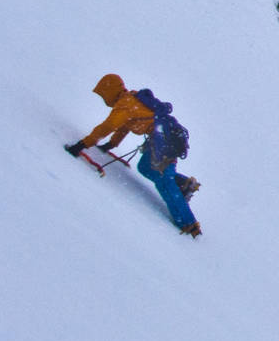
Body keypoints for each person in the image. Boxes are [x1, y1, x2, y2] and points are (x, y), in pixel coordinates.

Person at [65, 73, 201, 237]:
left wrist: (82, 144)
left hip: (164, 141)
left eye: (104, 95)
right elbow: (124, 126)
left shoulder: (126, 104)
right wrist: (111, 145)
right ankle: (184, 184)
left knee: (165, 181)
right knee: (145, 167)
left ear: (111, 91)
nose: (104, 99)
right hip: (162, 138)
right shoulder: (130, 101)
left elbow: (107, 127)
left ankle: (189, 224)